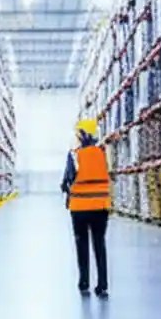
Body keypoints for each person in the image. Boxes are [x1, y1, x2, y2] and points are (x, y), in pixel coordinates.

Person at [60, 118, 111, 298]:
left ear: (82, 135)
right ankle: (103, 284)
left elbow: (68, 179)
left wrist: (66, 188)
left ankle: (84, 282)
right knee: (100, 243)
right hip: (101, 206)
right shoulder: (104, 152)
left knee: (82, 243)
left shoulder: (74, 155)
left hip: (80, 207)